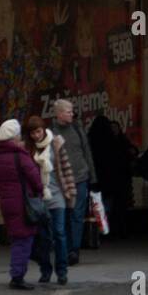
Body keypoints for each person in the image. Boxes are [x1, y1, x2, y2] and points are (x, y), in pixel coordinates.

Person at [0, 119, 44, 290]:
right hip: (21, 201)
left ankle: (19, 271)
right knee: (23, 239)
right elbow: (36, 180)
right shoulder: (20, 155)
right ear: (15, 138)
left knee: (17, 237)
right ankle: (17, 276)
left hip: (6, 201)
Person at [26, 114, 76, 285]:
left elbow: (66, 168)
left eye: (38, 131)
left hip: (57, 197)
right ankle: (45, 270)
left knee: (60, 234)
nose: (36, 136)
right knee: (43, 238)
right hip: (39, 200)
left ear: (43, 129)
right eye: (33, 133)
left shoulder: (56, 144)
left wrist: (70, 191)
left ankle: (62, 272)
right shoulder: (29, 149)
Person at [51, 98, 96, 266]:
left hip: (80, 177)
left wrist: (93, 176)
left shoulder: (77, 128)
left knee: (77, 215)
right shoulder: (51, 132)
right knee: (63, 214)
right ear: (59, 114)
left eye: (72, 111)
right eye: (68, 111)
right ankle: (64, 247)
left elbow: (86, 152)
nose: (72, 114)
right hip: (60, 180)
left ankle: (74, 250)